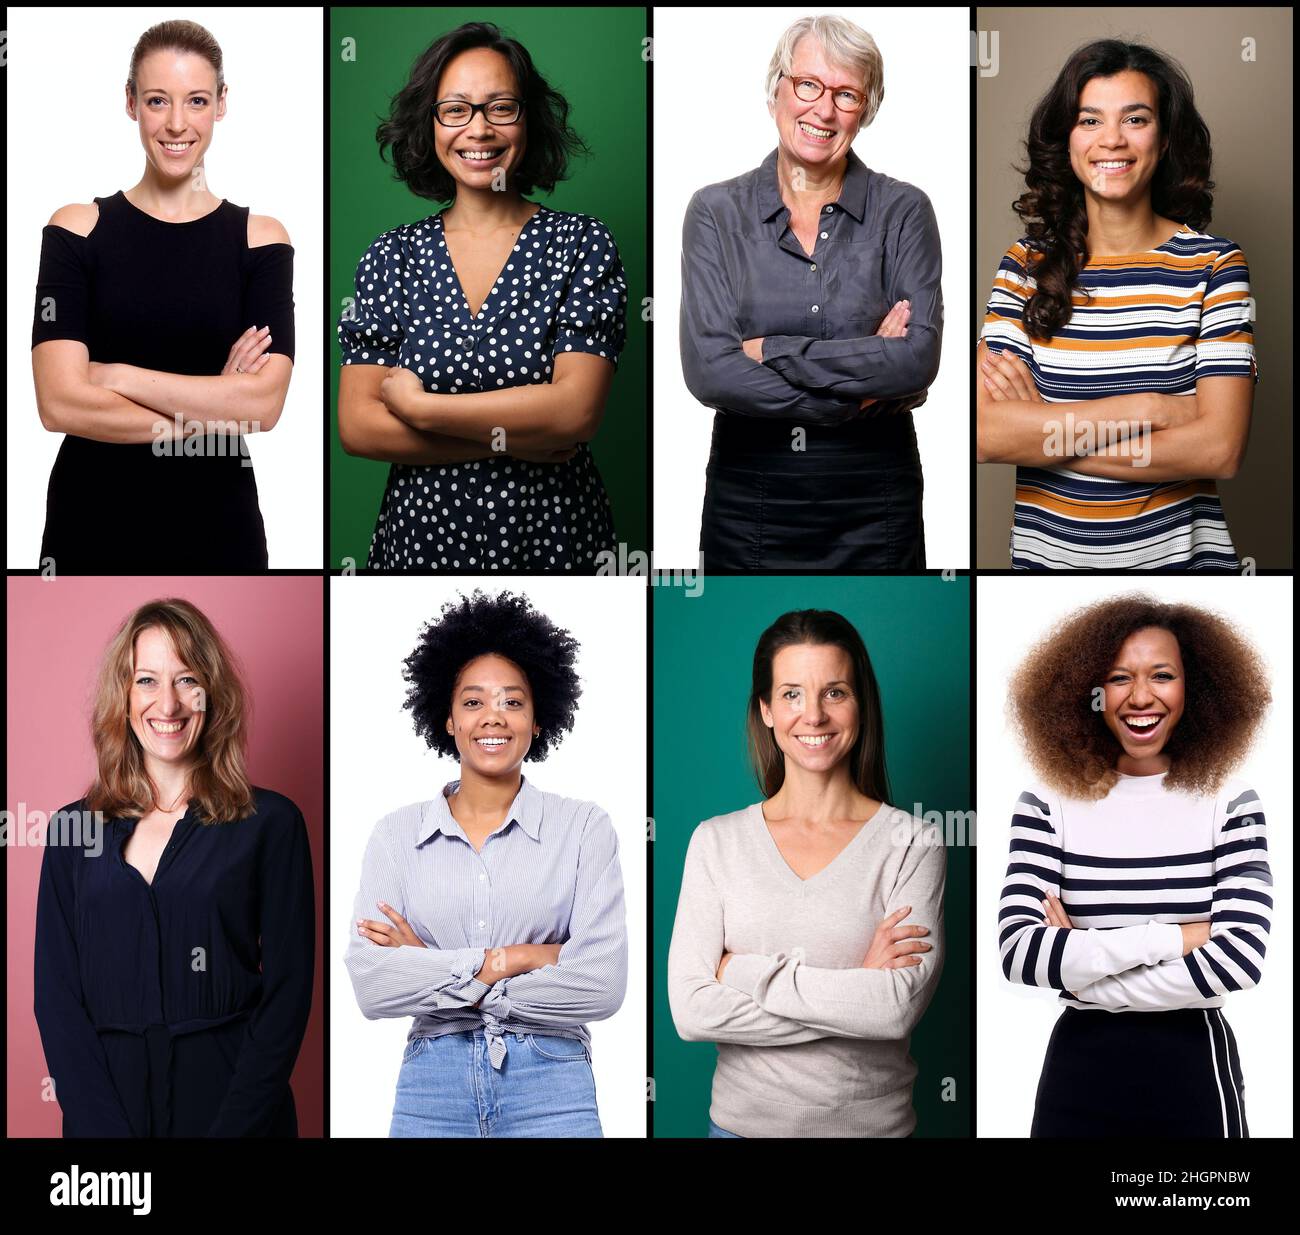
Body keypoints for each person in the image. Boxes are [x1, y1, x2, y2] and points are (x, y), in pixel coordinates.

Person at [337, 22, 627, 572]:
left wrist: (422, 408)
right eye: (456, 109)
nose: (479, 129)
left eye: (501, 108)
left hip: (554, 537)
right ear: (430, 123)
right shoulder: (390, 256)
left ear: (528, 119)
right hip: (419, 539)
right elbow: (357, 425)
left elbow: (575, 412)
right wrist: (508, 440)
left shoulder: (581, 243)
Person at [344, 590, 627, 1137]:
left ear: (539, 718)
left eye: (513, 702)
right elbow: (372, 985)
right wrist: (522, 958)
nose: (492, 717)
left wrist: (434, 963)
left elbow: (601, 984)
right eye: (473, 702)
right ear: (447, 719)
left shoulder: (584, 827)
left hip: (552, 1083)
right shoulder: (396, 835)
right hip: (433, 1084)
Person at [34, 599, 314, 1137]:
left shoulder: (272, 824)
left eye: (187, 680)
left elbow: (287, 998)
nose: (168, 703)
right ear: (124, 695)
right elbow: (56, 999)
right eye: (146, 680)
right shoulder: (71, 832)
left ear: (212, 695)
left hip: (236, 1116)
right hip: (107, 1117)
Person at [997, 596, 1272, 1136]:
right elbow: (1020, 954)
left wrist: (1087, 980)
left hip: (1194, 1067)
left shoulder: (1232, 803)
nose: (1141, 697)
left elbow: (1239, 961)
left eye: (1163, 675)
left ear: (1197, 689)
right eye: (1120, 678)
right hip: (1077, 1076)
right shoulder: (1046, 803)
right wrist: (1179, 937)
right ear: (1089, 692)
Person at [976, 40, 1255, 570]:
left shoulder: (1215, 265)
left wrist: (1046, 433)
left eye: (1135, 118)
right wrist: (1147, 411)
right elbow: (986, 434)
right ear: (1068, 138)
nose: (1112, 140)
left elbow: (1219, 449)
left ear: (1165, 137)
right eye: (1090, 120)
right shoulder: (1023, 265)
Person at [668, 609, 945, 1137]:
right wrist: (853, 990)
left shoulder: (914, 841)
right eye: (792, 693)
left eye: (835, 692)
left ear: (861, 705)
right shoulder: (716, 841)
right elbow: (692, 1012)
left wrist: (739, 973)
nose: (813, 715)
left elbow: (892, 1011)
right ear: (766, 709)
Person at [680, 15, 942, 571]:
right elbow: (709, 372)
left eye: (847, 95)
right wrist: (855, 392)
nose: (823, 110)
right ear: (776, 87)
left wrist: (771, 349)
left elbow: (916, 360)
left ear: (866, 110)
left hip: (876, 501)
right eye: (808, 85)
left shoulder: (905, 211)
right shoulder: (714, 212)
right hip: (748, 502)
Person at [31, 20, 295, 572]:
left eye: (196, 100)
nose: (177, 123)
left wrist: (118, 376)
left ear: (222, 103)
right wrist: (215, 408)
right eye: (157, 100)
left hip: (219, 524)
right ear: (131, 103)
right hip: (91, 522)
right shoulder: (76, 229)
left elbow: (263, 407)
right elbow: (58, 405)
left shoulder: (261, 240)